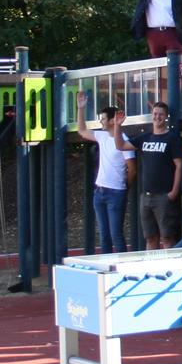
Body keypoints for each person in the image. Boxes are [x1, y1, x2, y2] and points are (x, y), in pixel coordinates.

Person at [74, 92, 134, 255]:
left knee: (116, 234)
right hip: (100, 191)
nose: (101, 121)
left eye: (103, 118)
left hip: (116, 192)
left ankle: (121, 266)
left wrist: (124, 187)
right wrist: (81, 109)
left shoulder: (123, 139)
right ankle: (106, 266)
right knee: (104, 236)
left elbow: (132, 168)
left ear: (113, 120)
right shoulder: (102, 136)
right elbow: (82, 131)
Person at [136, 101, 182, 249]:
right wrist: (118, 126)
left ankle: (170, 268)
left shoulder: (171, 139)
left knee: (167, 237)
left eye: (161, 114)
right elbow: (120, 145)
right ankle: (150, 268)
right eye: (155, 114)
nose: (157, 117)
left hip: (165, 197)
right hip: (146, 196)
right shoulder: (145, 138)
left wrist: (174, 191)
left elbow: (179, 165)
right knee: (150, 237)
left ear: (166, 117)